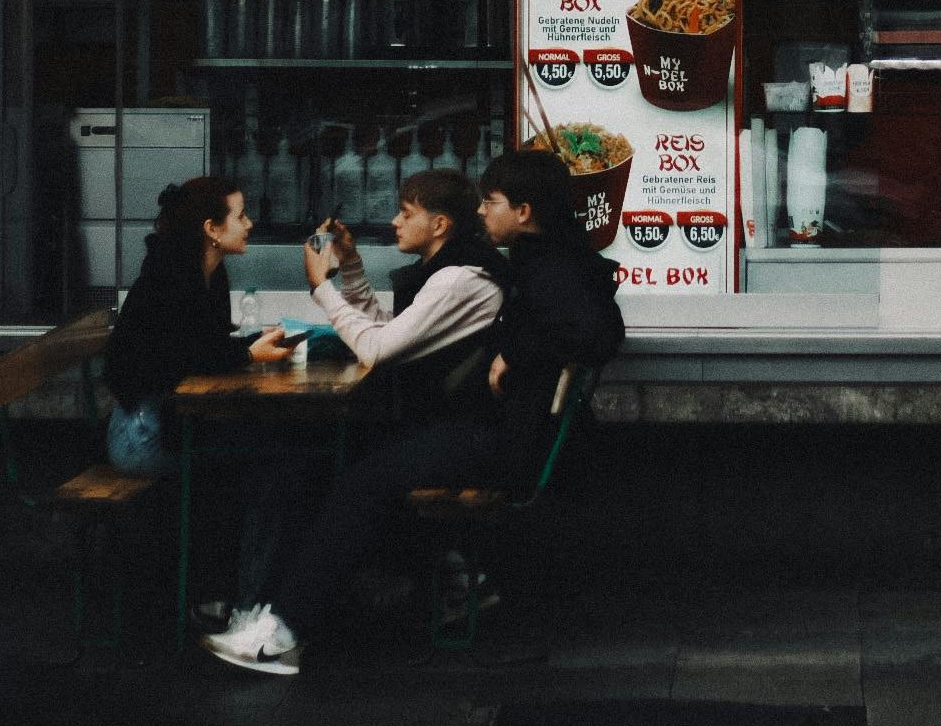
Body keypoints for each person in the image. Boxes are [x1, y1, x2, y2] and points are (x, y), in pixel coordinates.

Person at [203, 149, 625, 676]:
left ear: (523, 211)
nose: (482, 212)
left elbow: (599, 332)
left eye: (491, 202)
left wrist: (322, 287)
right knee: (340, 464)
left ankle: (281, 632)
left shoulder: (527, 268)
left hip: (499, 439)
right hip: (489, 425)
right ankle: (289, 610)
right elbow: (399, 332)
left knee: (360, 481)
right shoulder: (537, 257)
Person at [104, 175, 301, 619]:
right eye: (241, 215)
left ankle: (233, 596)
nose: (249, 224)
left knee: (274, 451)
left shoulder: (206, 270)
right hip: (142, 434)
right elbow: (184, 356)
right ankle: (249, 604)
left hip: (169, 420)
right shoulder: (173, 275)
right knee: (274, 460)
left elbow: (204, 347)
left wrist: (246, 351)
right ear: (212, 229)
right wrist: (248, 353)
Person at [305, 167, 502, 412]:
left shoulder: (457, 279)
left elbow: (375, 350)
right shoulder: (446, 267)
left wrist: (322, 287)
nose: (395, 222)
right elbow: (390, 333)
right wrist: (350, 263)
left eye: (407, 214)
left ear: (439, 225)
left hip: (450, 425)